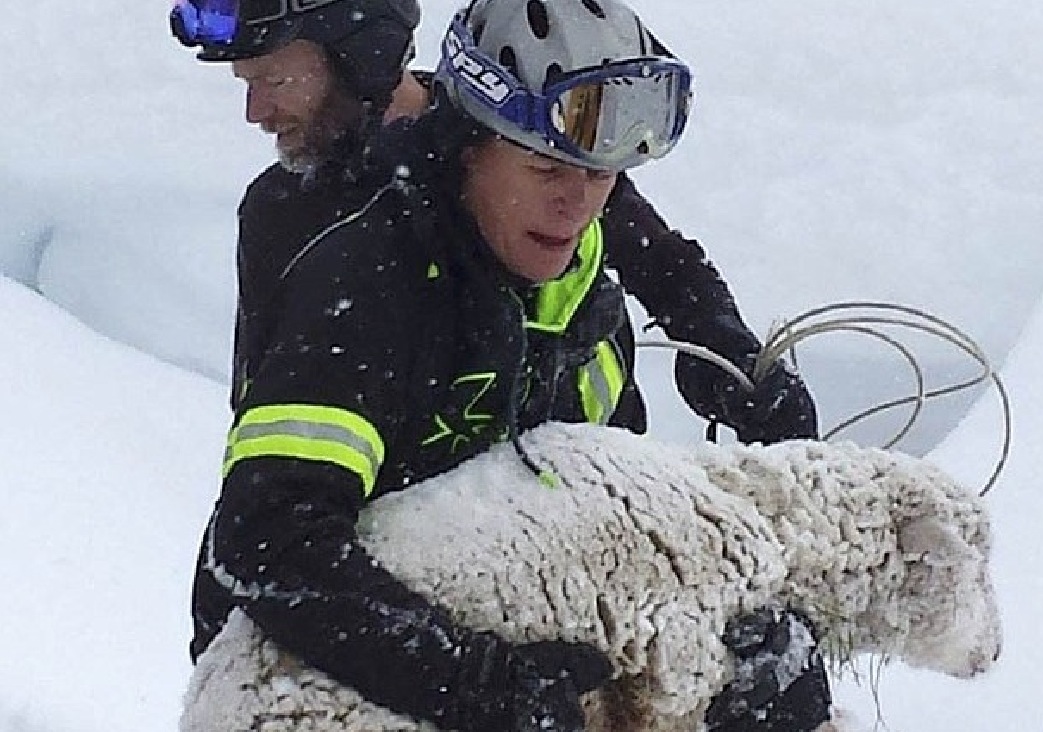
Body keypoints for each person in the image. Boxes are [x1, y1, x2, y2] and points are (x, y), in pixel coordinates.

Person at [177, 0, 833, 729]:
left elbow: (647, 244)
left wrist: (724, 345)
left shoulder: (539, 190)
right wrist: (483, 687)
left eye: (600, 173)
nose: (575, 203)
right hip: (364, 643)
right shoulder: (350, 266)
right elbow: (271, 531)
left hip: (547, 575)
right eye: (546, 166)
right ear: (466, 149)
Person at [170, 0, 819, 446]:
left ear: (356, 50)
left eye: (273, 78)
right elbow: (273, 445)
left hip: (608, 507)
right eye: (246, 83)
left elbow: (651, 250)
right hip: (444, 574)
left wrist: (726, 344)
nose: (255, 111)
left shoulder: (501, 141)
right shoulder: (290, 218)